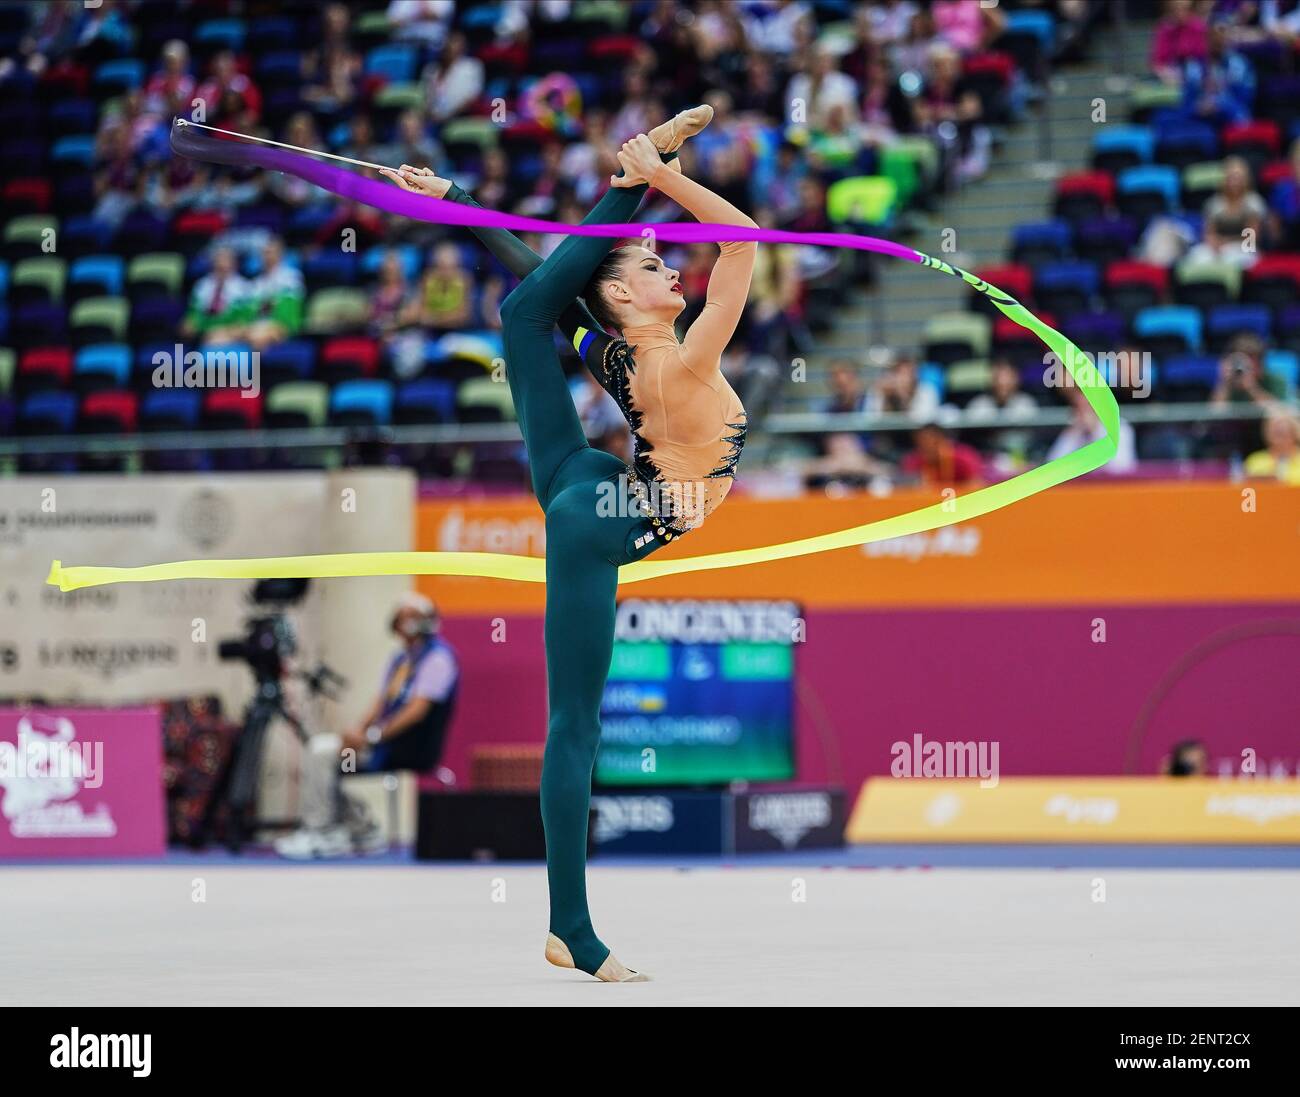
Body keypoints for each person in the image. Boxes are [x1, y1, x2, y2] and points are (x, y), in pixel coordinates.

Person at [380, 107, 755, 982]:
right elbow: (741, 242)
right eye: (658, 264)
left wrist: (460, 199)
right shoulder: (674, 362)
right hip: (600, 519)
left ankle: (570, 928)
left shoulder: (623, 353)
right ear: (626, 294)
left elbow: (544, 282)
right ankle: (572, 931)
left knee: (523, 315)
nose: (676, 270)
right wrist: (651, 175)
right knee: (574, 724)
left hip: (583, 478)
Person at [275, 592, 459, 859]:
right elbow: (380, 702)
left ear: (427, 621)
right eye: (402, 617)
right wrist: (358, 732)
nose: (405, 624)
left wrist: (372, 737)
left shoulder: (439, 659)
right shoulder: (400, 660)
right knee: (322, 755)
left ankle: (324, 832)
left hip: (411, 748)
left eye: (412, 618)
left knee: (320, 754)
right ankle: (362, 828)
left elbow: (416, 712)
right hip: (381, 743)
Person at [1245, 409, 1300, 485]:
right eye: (1276, 432)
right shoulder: (1255, 460)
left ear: (1295, 433)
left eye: (1283, 432)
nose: (1281, 438)